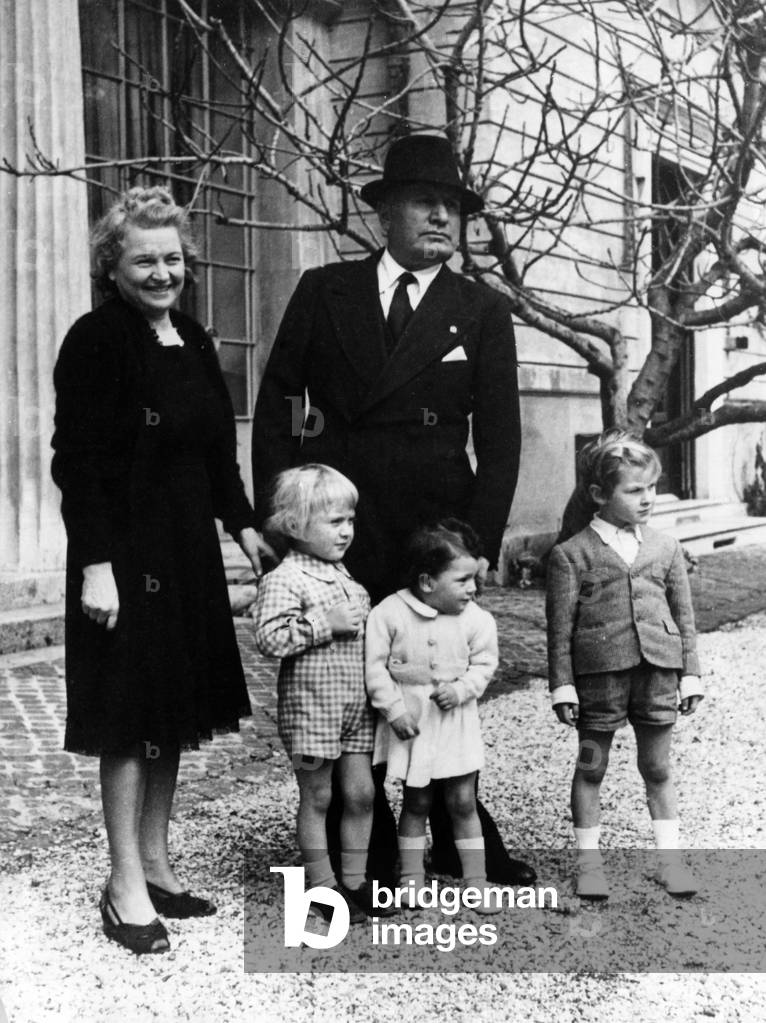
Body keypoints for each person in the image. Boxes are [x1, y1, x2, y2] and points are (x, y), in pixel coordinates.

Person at [251, 132, 533, 886]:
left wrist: (474, 547)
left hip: (429, 532)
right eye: (424, 202)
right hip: (338, 525)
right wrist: (278, 519)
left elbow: (500, 442)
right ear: (385, 214)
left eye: (452, 207)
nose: (442, 217)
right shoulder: (325, 290)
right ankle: (367, 847)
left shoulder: (481, 309)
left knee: (427, 672)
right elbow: (278, 403)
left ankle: (455, 825)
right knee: (351, 679)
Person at [51, 186, 272, 954]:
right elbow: (77, 464)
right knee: (127, 714)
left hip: (184, 553)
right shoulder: (95, 340)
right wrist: (96, 565)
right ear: (112, 266)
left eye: (172, 258)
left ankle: (154, 861)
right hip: (121, 553)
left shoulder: (196, 339)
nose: (162, 273)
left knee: (170, 709)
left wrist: (244, 526)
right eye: (144, 260)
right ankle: (123, 883)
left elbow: (216, 452)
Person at [546, 433, 704, 900]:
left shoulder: (666, 548)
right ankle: (589, 866)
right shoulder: (571, 554)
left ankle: (670, 864)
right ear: (599, 494)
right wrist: (563, 685)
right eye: (634, 490)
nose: (648, 498)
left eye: (651, 487)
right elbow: (559, 628)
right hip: (599, 682)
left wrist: (690, 674)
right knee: (590, 767)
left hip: (658, 675)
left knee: (657, 767)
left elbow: (685, 617)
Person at [251, 464, 381, 921]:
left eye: (350, 520)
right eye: (334, 521)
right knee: (319, 797)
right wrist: (325, 623)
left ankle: (355, 881)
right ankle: (323, 887)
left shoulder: (345, 575)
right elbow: (268, 638)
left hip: (355, 709)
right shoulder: (284, 578)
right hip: (311, 711)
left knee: (361, 794)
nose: (346, 531)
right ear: (295, 525)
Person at [365, 520, 501, 913]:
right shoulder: (389, 613)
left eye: (473, 578)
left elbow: (485, 664)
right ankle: (411, 878)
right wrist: (393, 709)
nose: (473, 588)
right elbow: (375, 669)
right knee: (416, 801)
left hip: (455, 723)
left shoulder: (476, 619)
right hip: (413, 725)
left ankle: (477, 881)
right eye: (462, 580)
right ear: (427, 582)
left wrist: (462, 688)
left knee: (463, 800)